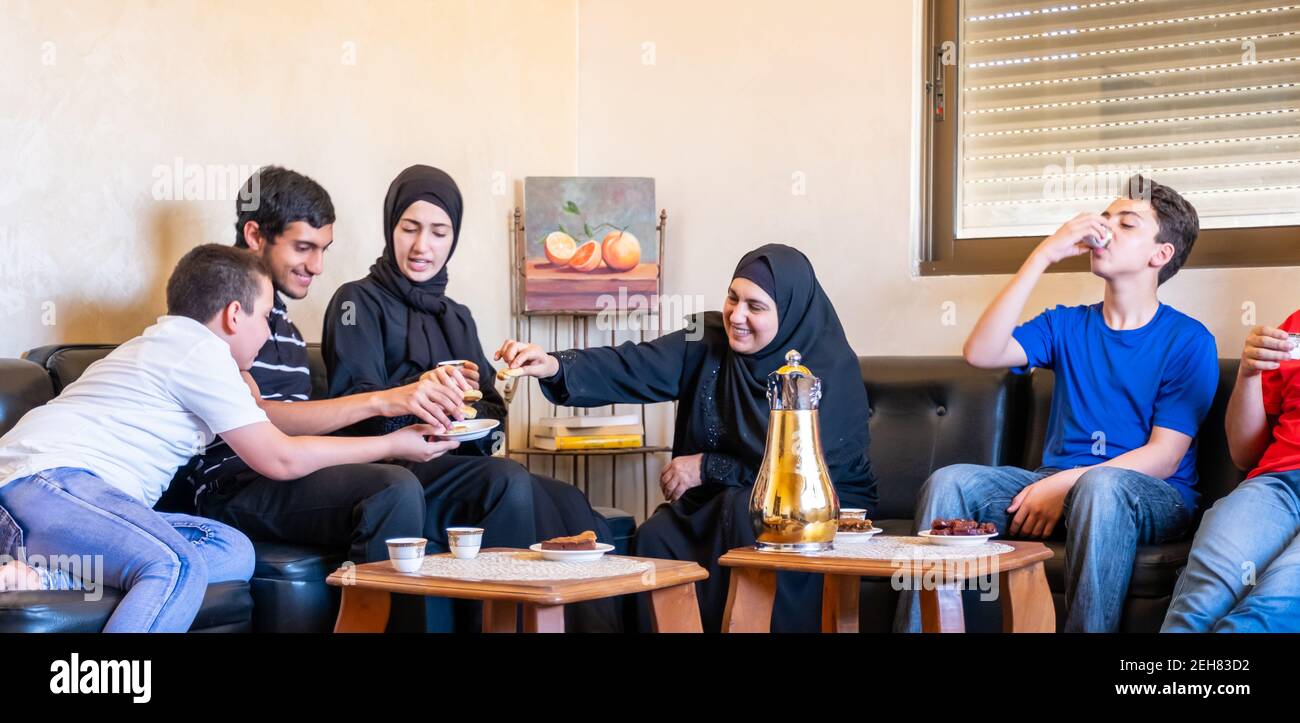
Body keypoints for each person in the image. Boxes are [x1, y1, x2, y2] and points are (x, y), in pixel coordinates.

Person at [0, 245, 454, 631]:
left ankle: (48, 578)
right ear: (234, 314)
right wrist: (394, 446)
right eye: (266, 316)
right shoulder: (198, 351)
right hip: (48, 484)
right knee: (174, 567)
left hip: (62, 506)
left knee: (233, 551)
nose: (270, 331)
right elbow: (279, 459)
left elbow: (271, 424)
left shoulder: (171, 345)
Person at [495, 243, 877, 632]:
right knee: (657, 538)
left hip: (813, 505)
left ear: (791, 313)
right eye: (733, 298)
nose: (737, 316)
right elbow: (634, 362)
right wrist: (555, 366)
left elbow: (802, 471)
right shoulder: (706, 333)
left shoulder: (829, 367)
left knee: (750, 519)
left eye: (755, 307)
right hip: (720, 499)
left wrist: (708, 467)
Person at [896, 176, 1217, 633]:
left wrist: (1065, 485)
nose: (1103, 230)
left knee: (1100, 489)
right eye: (1104, 218)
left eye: (1125, 224)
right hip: (1059, 484)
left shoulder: (1188, 340)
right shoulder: (1065, 324)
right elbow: (981, 352)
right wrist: (1043, 254)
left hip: (1148, 497)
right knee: (950, 483)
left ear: (1160, 255)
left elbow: (1164, 458)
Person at [323, 165, 617, 631]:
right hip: (392, 467)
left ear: (453, 237)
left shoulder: (456, 316)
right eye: (409, 228)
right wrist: (420, 397)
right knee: (507, 481)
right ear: (390, 227)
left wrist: (477, 399)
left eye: (439, 232)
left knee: (570, 501)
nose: (423, 246)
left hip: (455, 462)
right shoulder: (356, 302)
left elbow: (488, 413)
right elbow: (353, 412)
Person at [1162, 320, 1300, 632]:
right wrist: (1248, 373)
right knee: (1200, 601)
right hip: (1276, 485)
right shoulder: (1295, 326)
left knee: (1273, 606)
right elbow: (1243, 454)